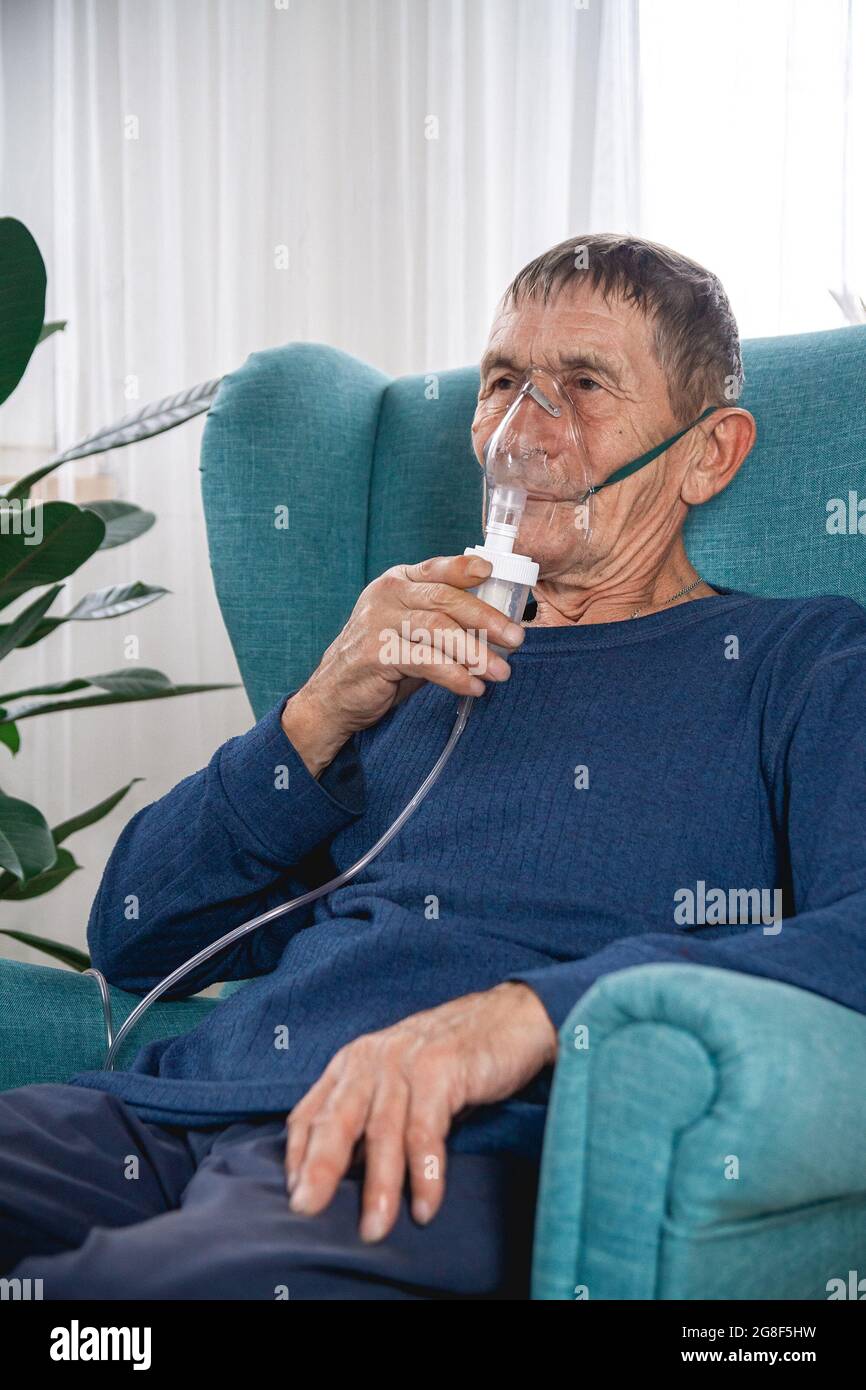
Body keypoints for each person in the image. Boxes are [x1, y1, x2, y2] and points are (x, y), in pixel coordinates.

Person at [3, 235, 865, 1300]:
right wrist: (318, 710)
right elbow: (136, 929)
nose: (520, 432)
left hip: (433, 1148)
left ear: (708, 452)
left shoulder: (802, 665)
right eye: (503, 380)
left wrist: (529, 1012)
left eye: (582, 385)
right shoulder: (405, 657)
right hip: (162, 1116)